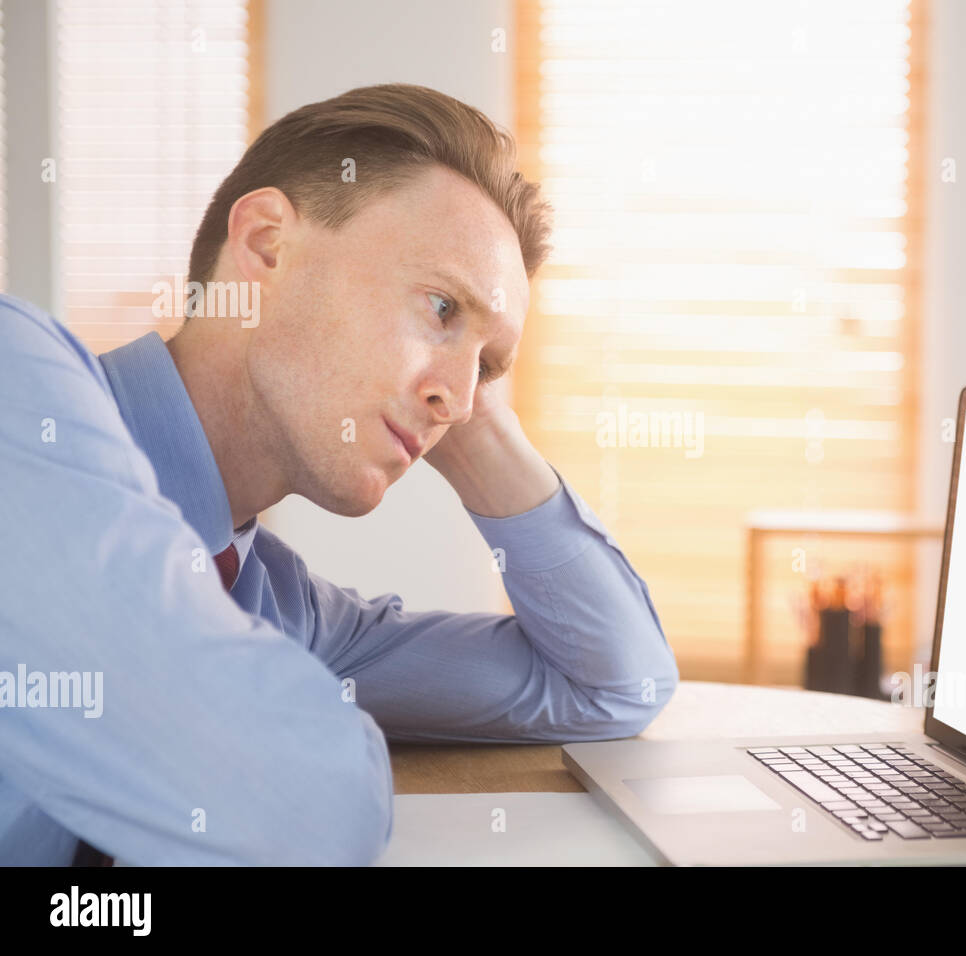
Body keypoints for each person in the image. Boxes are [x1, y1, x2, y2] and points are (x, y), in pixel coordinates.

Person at [0, 83, 678, 865]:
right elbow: (305, 815)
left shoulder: (280, 612)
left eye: (489, 367)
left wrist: (478, 417)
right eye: (441, 307)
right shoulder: (19, 385)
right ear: (265, 247)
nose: (457, 399)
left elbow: (612, 687)